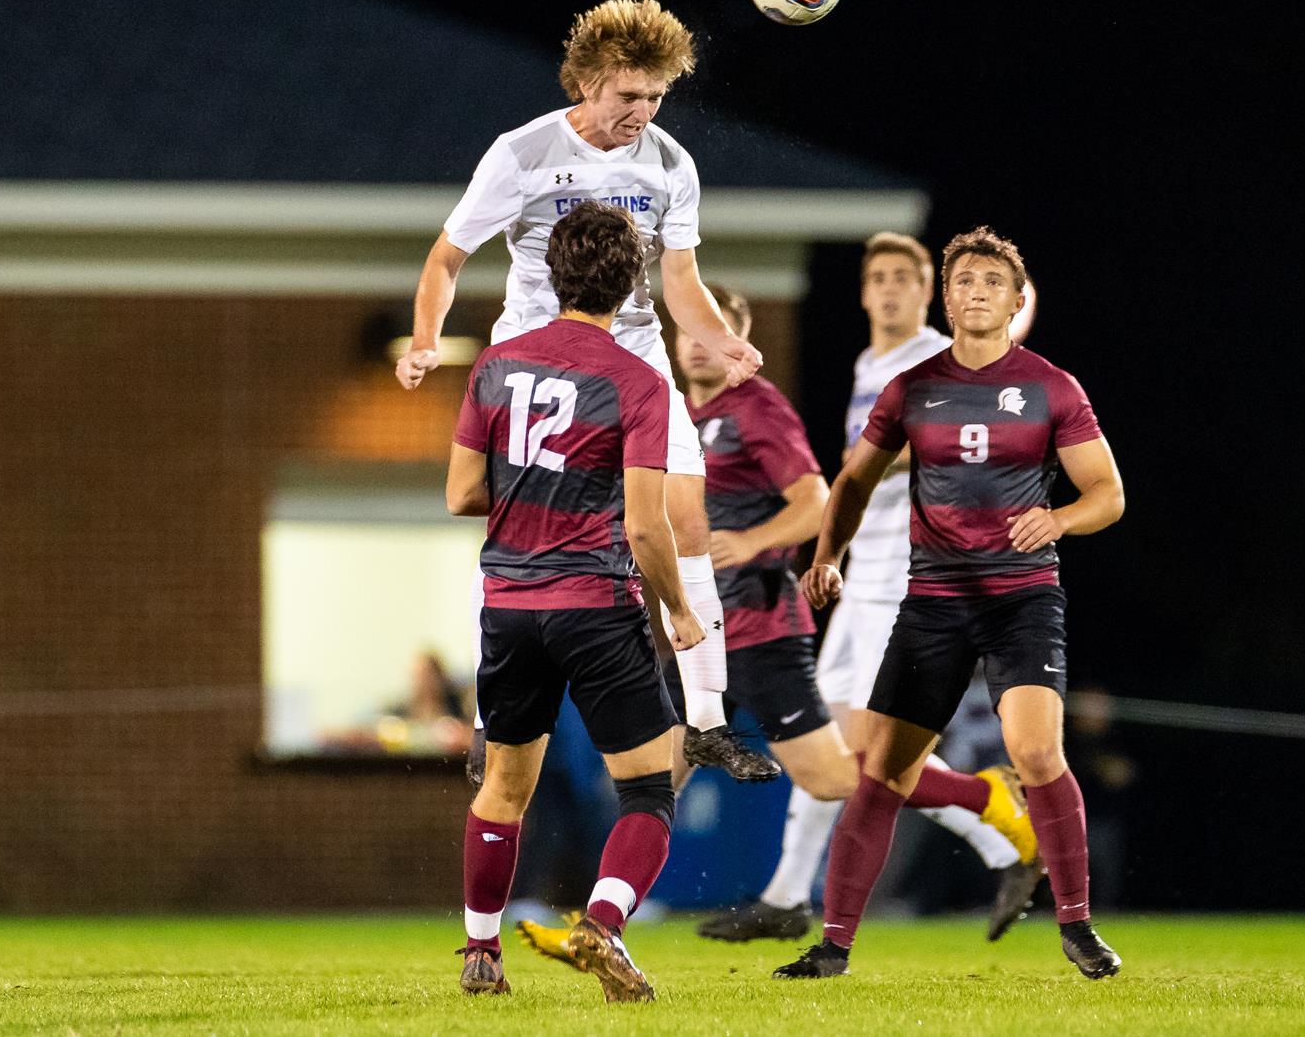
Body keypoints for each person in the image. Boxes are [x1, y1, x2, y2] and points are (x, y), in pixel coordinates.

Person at [398, 0, 775, 782]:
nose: (643, 112)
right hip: (538, 360)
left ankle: (706, 719)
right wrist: (429, 338)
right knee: (515, 531)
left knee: (684, 516)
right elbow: (445, 257)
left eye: (657, 97)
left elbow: (681, 282)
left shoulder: (670, 163)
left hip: (632, 357)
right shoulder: (523, 153)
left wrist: (719, 340)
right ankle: (484, 720)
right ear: (591, 80)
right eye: (629, 95)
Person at [775, 226, 1127, 981]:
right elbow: (853, 481)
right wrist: (826, 557)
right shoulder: (912, 386)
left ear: (1015, 301)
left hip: (1021, 600)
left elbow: (1108, 494)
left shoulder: (1052, 385)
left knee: (1036, 752)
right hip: (932, 603)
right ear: (948, 296)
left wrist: (1060, 518)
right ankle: (833, 946)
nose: (976, 292)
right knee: (881, 772)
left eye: (992, 283)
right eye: (964, 280)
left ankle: (1077, 926)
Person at [705, 235, 1047, 944]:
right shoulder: (871, 364)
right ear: (863, 294)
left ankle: (996, 821)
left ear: (929, 292)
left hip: (912, 582)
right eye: (878, 278)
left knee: (868, 755)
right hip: (864, 584)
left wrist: (873, 459)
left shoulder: (939, 361)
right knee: (827, 747)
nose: (889, 289)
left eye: (903, 278)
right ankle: (789, 895)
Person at [447, 202, 701, 1003]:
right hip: (594, 602)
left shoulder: (495, 365)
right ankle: (603, 923)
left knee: (504, 787)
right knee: (651, 787)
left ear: (550, 275)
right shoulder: (637, 381)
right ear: (633, 288)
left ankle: (480, 954)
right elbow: (645, 524)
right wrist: (680, 612)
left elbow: (460, 494)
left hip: (509, 605)